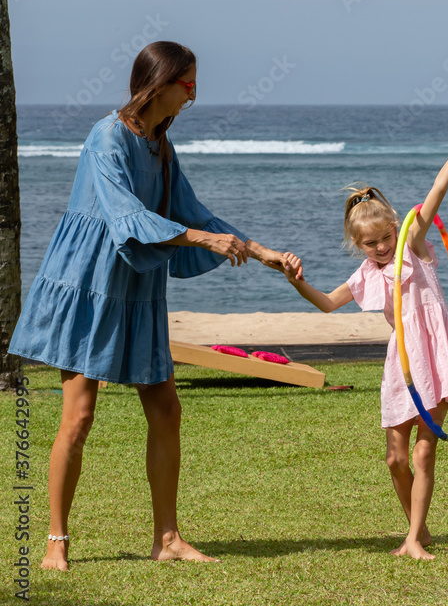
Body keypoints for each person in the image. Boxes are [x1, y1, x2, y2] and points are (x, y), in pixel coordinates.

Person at [9, 41, 300, 570]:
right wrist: (201, 240)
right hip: (89, 283)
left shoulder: (163, 149)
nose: (193, 92)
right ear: (159, 83)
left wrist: (262, 252)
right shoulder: (108, 136)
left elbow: (195, 212)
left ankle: (167, 539)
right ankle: (55, 541)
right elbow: (124, 217)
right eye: (187, 82)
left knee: (166, 409)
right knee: (79, 415)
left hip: (138, 285)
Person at [280, 137, 448, 560]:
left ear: (396, 228)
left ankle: (415, 539)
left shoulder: (412, 246)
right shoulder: (366, 273)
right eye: (371, 244)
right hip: (400, 364)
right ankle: (415, 530)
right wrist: (296, 281)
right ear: (358, 245)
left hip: (432, 356)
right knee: (394, 459)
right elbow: (328, 303)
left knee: (424, 452)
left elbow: (437, 190)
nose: (383, 247)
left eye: (386, 237)